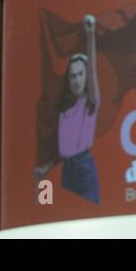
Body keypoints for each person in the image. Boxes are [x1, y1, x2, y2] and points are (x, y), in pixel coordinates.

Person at [34, 14, 102, 203]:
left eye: (80, 74)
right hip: (67, 172)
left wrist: (90, 35)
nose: (77, 80)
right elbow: (63, 150)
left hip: (84, 170)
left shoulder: (91, 102)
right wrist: (45, 170)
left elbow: (93, 68)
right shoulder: (64, 110)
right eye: (73, 76)